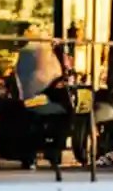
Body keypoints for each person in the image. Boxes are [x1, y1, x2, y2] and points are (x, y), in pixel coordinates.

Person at [14, 32, 71, 171]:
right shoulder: (42, 70)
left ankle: (48, 149)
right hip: (35, 103)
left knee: (56, 112)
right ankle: (54, 150)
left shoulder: (25, 63)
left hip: (27, 103)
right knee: (65, 112)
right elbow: (50, 80)